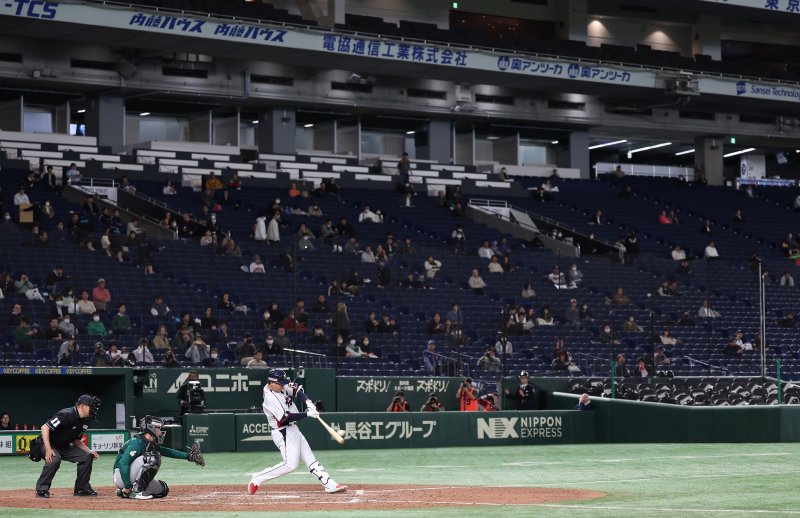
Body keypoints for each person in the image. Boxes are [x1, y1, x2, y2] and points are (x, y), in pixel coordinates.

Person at [248, 369, 347, 495]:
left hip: (293, 429)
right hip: (282, 431)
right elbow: (285, 418)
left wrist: (308, 402)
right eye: (280, 383)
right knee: (290, 465)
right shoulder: (270, 398)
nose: (283, 385)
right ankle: (258, 478)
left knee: (311, 460)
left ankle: (330, 484)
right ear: (271, 382)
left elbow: (296, 390)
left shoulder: (278, 386)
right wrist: (307, 414)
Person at [114, 416, 204, 500]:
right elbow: (123, 462)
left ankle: (123, 492)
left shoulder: (148, 443)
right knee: (153, 457)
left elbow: (167, 451)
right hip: (121, 476)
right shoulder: (137, 442)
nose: (160, 432)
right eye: (158, 429)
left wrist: (189, 456)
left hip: (131, 475)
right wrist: (127, 485)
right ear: (151, 428)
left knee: (163, 490)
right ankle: (137, 491)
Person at [32, 394, 101, 498]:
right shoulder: (66, 414)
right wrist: (48, 449)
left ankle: (81, 488)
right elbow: (45, 428)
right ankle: (41, 489)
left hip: (64, 446)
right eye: (92, 406)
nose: (94, 409)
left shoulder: (84, 421)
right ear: (83, 406)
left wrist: (88, 450)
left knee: (87, 456)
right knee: (54, 459)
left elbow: (76, 440)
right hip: (47, 443)